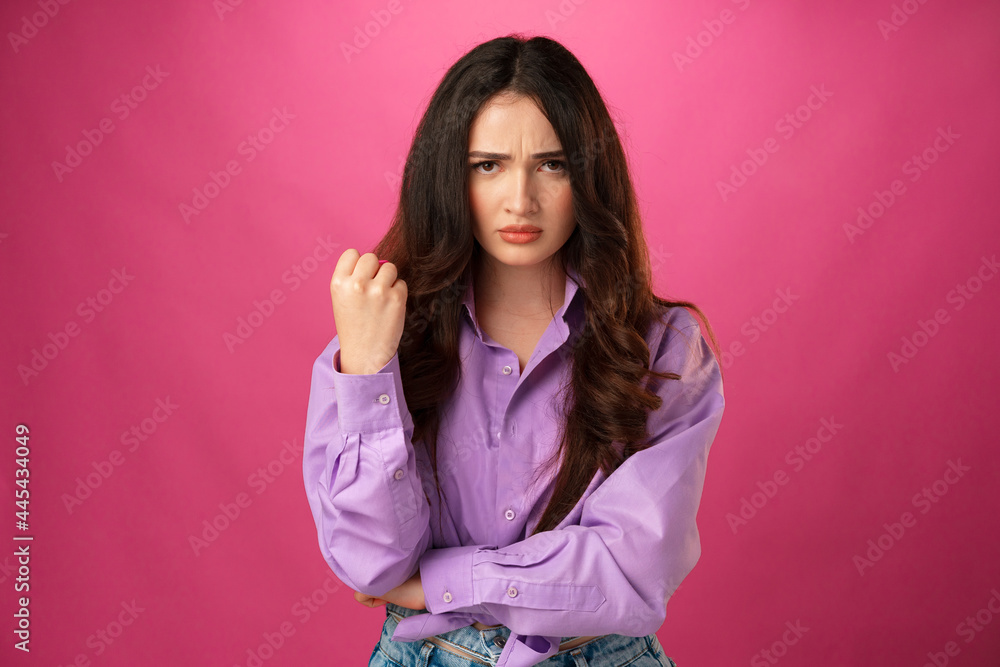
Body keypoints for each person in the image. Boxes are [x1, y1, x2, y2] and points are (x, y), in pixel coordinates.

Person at [302, 34, 725, 667]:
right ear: (448, 175)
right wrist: (367, 372)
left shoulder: (665, 346)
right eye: (488, 165)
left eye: (552, 164)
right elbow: (371, 563)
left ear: (588, 175)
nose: (520, 200)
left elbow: (633, 572)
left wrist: (443, 583)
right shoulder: (382, 341)